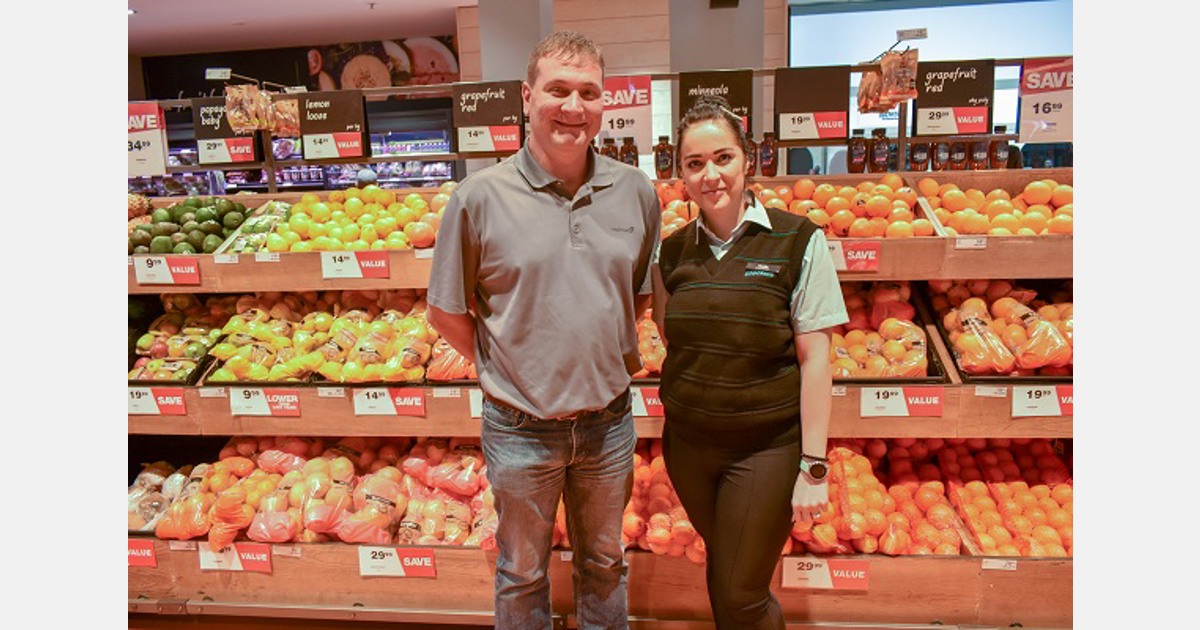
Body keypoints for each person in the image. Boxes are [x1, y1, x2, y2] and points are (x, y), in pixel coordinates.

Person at [426, 30, 660, 630]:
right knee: (522, 571)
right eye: (559, 90)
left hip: (609, 424)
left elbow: (633, 295)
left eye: (589, 92)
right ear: (527, 97)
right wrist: (510, 365)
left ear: (605, 103)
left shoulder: (635, 191)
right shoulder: (478, 198)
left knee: (606, 562)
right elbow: (447, 311)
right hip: (519, 430)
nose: (574, 107)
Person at [651, 96, 848, 630]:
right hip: (689, 449)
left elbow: (815, 360)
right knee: (729, 577)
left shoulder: (797, 239)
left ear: (748, 159)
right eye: (694, 164)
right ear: (681, 175)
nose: (710, 175)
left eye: (722, 158)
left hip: (764, 449)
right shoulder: (671, 252)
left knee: (740, 590)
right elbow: (673, 337)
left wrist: (813, 465)